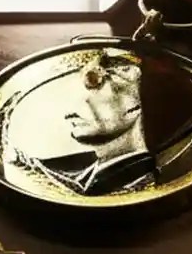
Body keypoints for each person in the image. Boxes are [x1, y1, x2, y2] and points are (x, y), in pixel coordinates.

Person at [24, 50, 154, 196]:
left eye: (84, 100)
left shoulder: (138, 180)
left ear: (133, 105)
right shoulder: (83, 175)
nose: (68, 112)